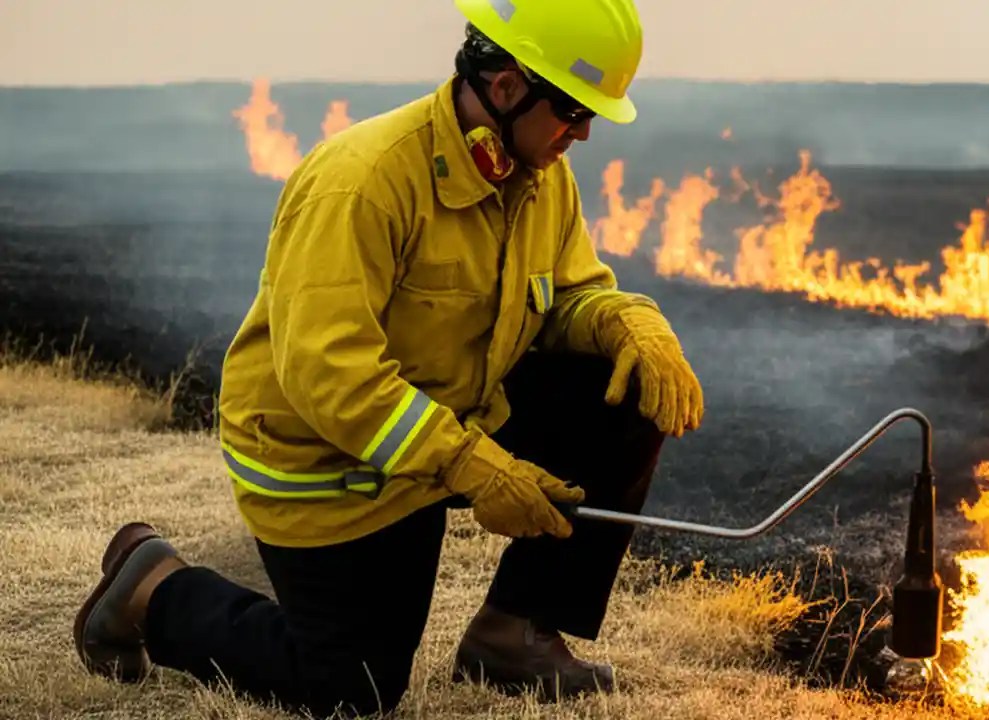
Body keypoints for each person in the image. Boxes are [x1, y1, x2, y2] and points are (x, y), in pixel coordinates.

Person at [72, 0, 704, 716]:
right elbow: (328, 373)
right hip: (330, 461)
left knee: (619, 393)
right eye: (572, 109)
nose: (583, 132)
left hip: (443, 423)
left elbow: (568, 295)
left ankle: (513, 633)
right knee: (352, 690)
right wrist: (469, 462)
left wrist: (629, 322)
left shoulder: (537, 176)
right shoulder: (364, 182)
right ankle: (151, 588)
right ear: (506, 86)